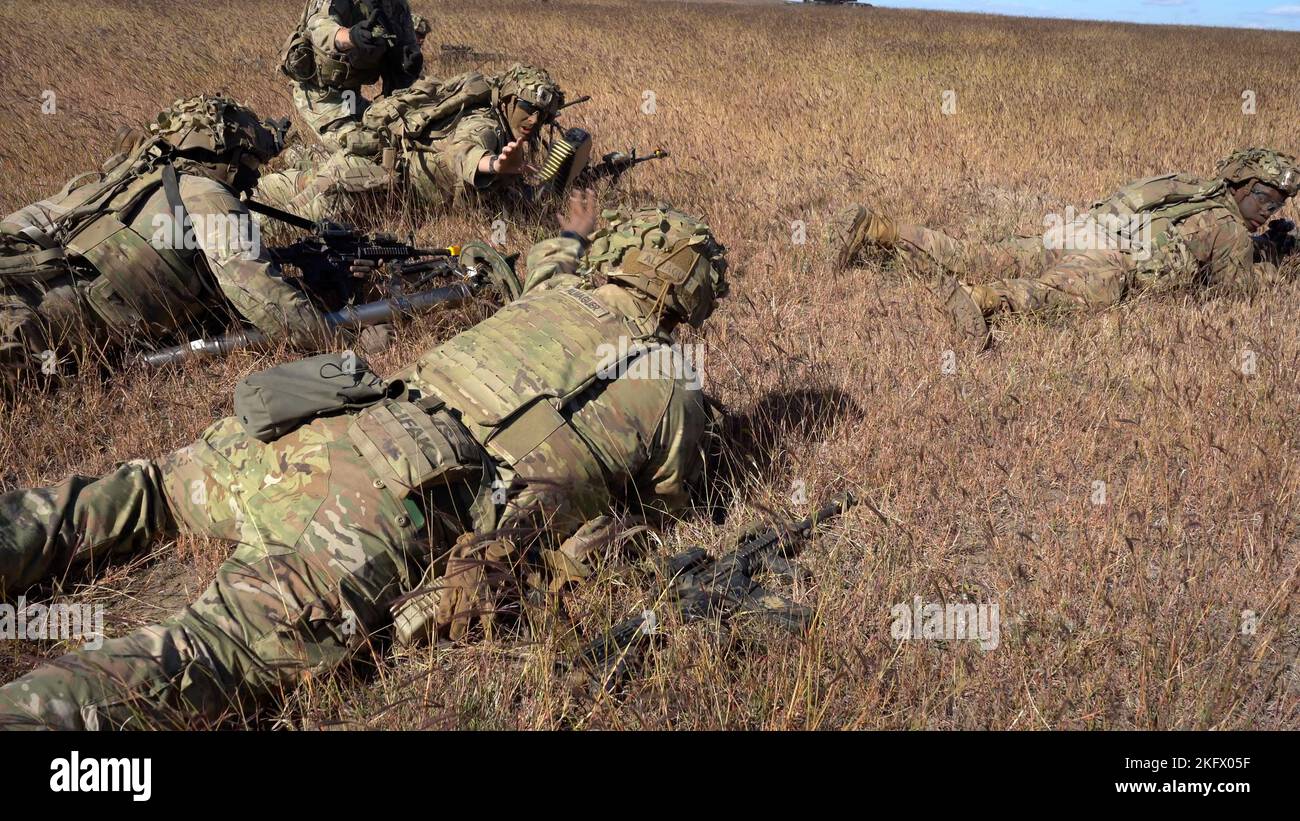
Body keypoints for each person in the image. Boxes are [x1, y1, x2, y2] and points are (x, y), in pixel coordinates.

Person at [0, 191, 730, 730]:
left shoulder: (556, 288)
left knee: (146, 490)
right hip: (385, 507)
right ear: (690, 304)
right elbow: (670, 501)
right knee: (212, 651)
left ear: (616, 255)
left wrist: (574, 232)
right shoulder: (673, 385)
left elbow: (553, 255)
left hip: (322, 428)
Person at [0, 96, 331, 389]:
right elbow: (261, 297)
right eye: (252, 162)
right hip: (28, 333)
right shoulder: (204, 193)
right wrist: (339, 339)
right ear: (226, 155)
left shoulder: (126, 179)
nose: (256, 176)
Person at [827, 148, 1300, 346]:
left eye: (1276, 207)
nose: (1267, 212)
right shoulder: (1233, 232)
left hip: (1078, 230)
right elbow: (1231, 301)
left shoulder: (1189, 184)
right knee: (1053, 294)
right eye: (1264, 198)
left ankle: (879, 230)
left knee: (977, 252)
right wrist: (1271, 261)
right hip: (1111, 261)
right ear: (1242, 184)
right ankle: (981, 300)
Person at [256, 64, 565, 221]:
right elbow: (465, 152)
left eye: (543, 115)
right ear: (509, 99)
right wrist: (496, 165)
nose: (534, 120)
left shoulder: (490, 114)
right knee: (273, 224)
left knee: (267, 190)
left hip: (369, 168)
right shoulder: (485, 125)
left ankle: (288, 151)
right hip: (365, 190)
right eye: (529, 108)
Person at [279, 0, 429, 150]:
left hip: (351, 94)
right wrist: (352, 36)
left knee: (404, 137)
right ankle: (296, 153)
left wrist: (406, 64)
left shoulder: (395, 5)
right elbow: (321, 30)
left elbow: (408, 48)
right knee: (361, 148)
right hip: (320, 95)